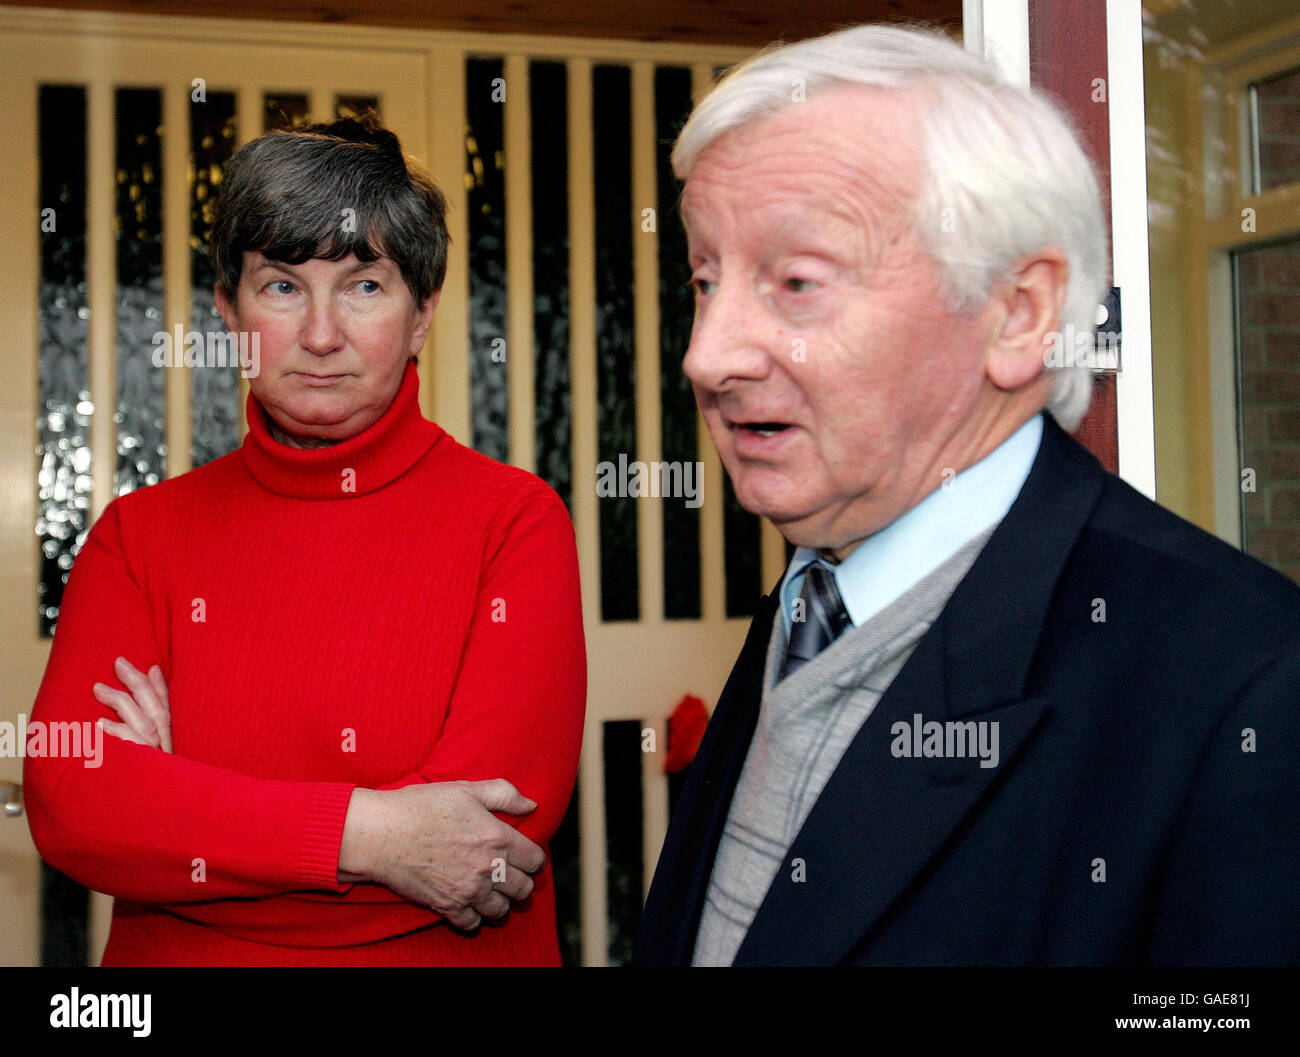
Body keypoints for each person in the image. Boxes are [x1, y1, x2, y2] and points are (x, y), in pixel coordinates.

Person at [632, 24, 1300, 966]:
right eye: (705, 279)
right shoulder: (813, 595)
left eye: (795, 281)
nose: (707, 353)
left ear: (1017, 313)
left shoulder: (1246, 685)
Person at [24, 116, 586, 966]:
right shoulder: (138, 539)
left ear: (424, 310)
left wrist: (182, 810)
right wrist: (375, 835)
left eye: (364, 285)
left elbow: (480, 850)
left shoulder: (515, 523)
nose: (320, 334)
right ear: (228, 308)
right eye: (282, 286)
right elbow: (72, 802)